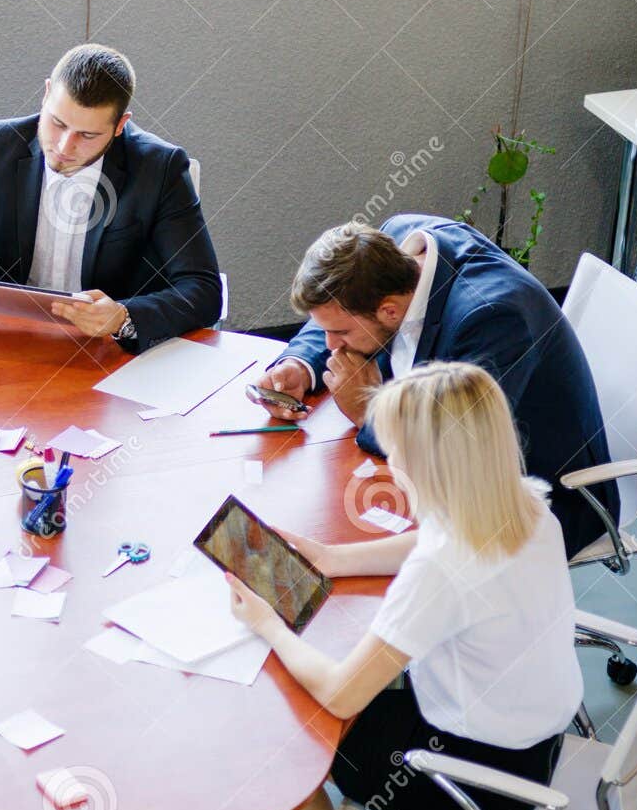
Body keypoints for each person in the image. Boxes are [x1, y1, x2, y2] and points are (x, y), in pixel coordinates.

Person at [228, 362, 583, 810]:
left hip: (473, 787)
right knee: (352, 673)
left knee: (292, 747)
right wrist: (333, 557)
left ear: (427, 465)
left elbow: (341, 695)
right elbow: (441, 533)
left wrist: (269, 625)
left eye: (395, 452)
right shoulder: (528, 502)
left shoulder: (441, 571)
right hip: (535, 747)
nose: (390, 464)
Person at [254, 215, 617, 559]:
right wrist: (299, 366)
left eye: (342, 334)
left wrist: (370, 411)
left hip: (538, 500)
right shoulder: (395, 246)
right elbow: (336, 312)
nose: (331, 344)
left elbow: (451, 450)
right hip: (427, 478)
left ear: (390, 311)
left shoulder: (492, 319)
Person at [0, 44, 222, 353]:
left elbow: (203, 290)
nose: (64, 147)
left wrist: (123, 316)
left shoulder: (160, 169)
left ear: (120, 125)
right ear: (47, 93)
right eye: (57, 123)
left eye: (87, 135)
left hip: (108, 353)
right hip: (14, 339)